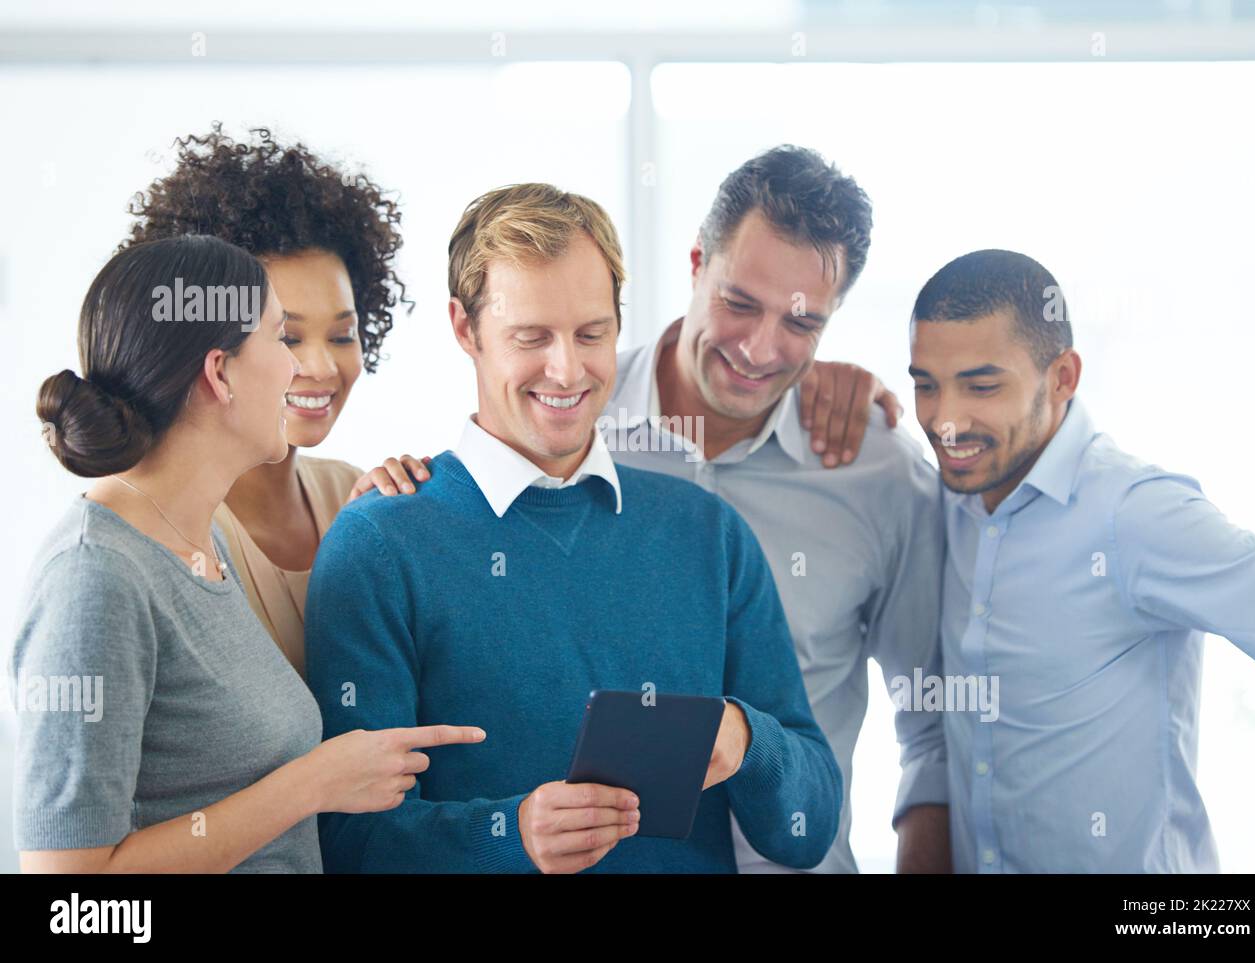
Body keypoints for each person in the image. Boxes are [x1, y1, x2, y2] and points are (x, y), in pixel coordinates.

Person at [361, 147, 950, 874]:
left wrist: (744, 737)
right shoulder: (540, 438)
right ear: (698, 263)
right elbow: (354, 834)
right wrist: (507, 833)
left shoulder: (861, 472)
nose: (760, 349)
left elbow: (922, 731)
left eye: (800, 324)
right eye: (739, 303)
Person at [13, 235, 483, 873]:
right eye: (279, 339)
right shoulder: (95, 575)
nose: (298, 371)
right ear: (219, 373)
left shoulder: (194, 542)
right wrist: (312, 784)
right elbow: (71, 891)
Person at [906, 248, 1255, 872]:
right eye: (925, 384)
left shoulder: (1137, 515)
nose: (945, 421)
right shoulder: (947, 503)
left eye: (981, 386)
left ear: (1062, 377)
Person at [122, 124, 413, 676]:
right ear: (210, 348)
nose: (322, 368)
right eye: (287, 336)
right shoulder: (158, 530)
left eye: (344, 335)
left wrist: (408, 529)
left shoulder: (353, 496)